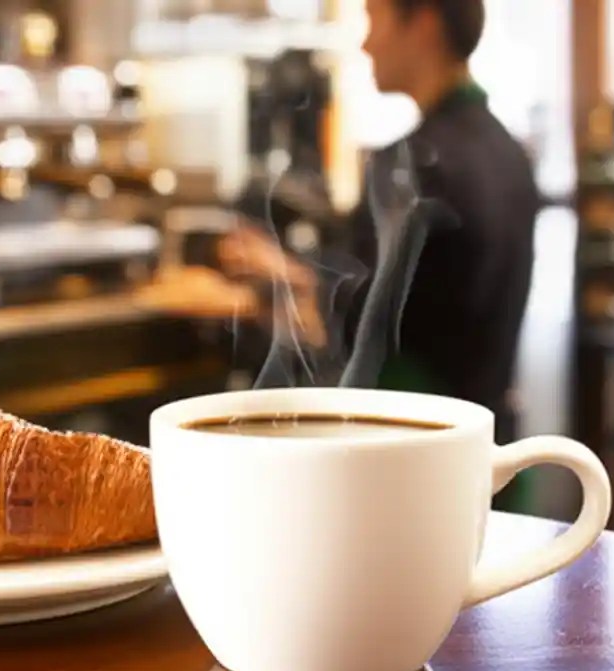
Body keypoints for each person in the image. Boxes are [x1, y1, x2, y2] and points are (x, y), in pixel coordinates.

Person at [220, 0, 539, 444]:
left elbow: (353, 326)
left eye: (375, 20)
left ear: (425, 22)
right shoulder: (507, 151)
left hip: (412, 451)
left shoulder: (413, 164)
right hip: (490, 446)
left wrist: (257, 294)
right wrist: (294, 271)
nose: (366, 44)